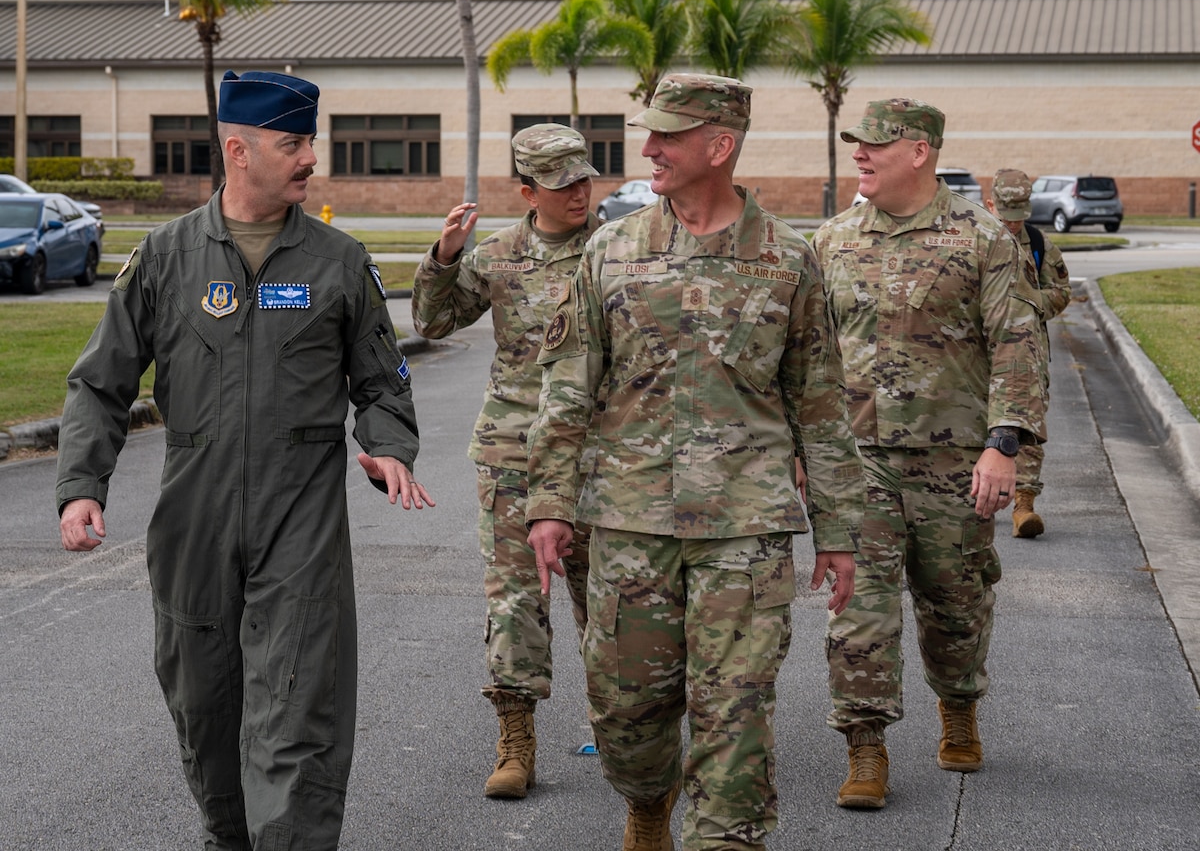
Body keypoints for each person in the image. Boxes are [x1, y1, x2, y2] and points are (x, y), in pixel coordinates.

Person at [55, 70, 434, 850]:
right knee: (204, 704)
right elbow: (100, 382)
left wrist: (387, 446)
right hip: (192, 515)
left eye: (307, 142)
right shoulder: (166, 257)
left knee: (296, 710)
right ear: (239, 149)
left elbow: (383, 378)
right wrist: (79, 486)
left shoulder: (338, 261)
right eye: (292, 144)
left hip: (301, 515)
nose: (309, 159)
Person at [525, 73, 865, 851]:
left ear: (720, 145)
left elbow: (821, 405)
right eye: (650, 133)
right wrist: (548, 506)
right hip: (628, 524)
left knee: (735, 716)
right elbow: (567, 386)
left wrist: (840, 531)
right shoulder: (612, 251)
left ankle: (724, 834)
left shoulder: (788, 260)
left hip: (746, 532)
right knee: (627, 718)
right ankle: (648, 800)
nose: (647, 148)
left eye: (668, 136)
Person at [813, 98, 1047, 810]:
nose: (859, 155)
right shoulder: (829, 240)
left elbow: (1017, 343)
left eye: (874, 145)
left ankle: (959, 703)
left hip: (954, 464)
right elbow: (808, 355)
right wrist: (803, 445)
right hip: (859, 465)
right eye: (855, 144)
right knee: (860, 610)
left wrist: (1004, 443)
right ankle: (865, 748)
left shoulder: (983, 239)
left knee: (955, 607)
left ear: (919, 151)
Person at [410, 124, 600, 800]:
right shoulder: (499, 255)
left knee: (612, 606)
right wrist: (443, 256)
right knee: (517, 603)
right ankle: (516, 740)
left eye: (584, 178)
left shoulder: (621, 250)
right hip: (512, 453)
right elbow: (433, 324)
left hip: (604, 457)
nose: (580, 192)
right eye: (561, 184)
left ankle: (625, 726)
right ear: (527, 192)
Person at [985, 168, 1072, 538]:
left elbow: (1061, 291)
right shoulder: (976, 241)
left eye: (1020, 216)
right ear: (991, 205)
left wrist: (1030, 302)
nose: (1014, 223)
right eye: (1007, 215)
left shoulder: (1039, 244)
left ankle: (1024, 506)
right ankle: (972, 500)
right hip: (980, 352)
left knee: (1028, 425)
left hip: (1028, 353)